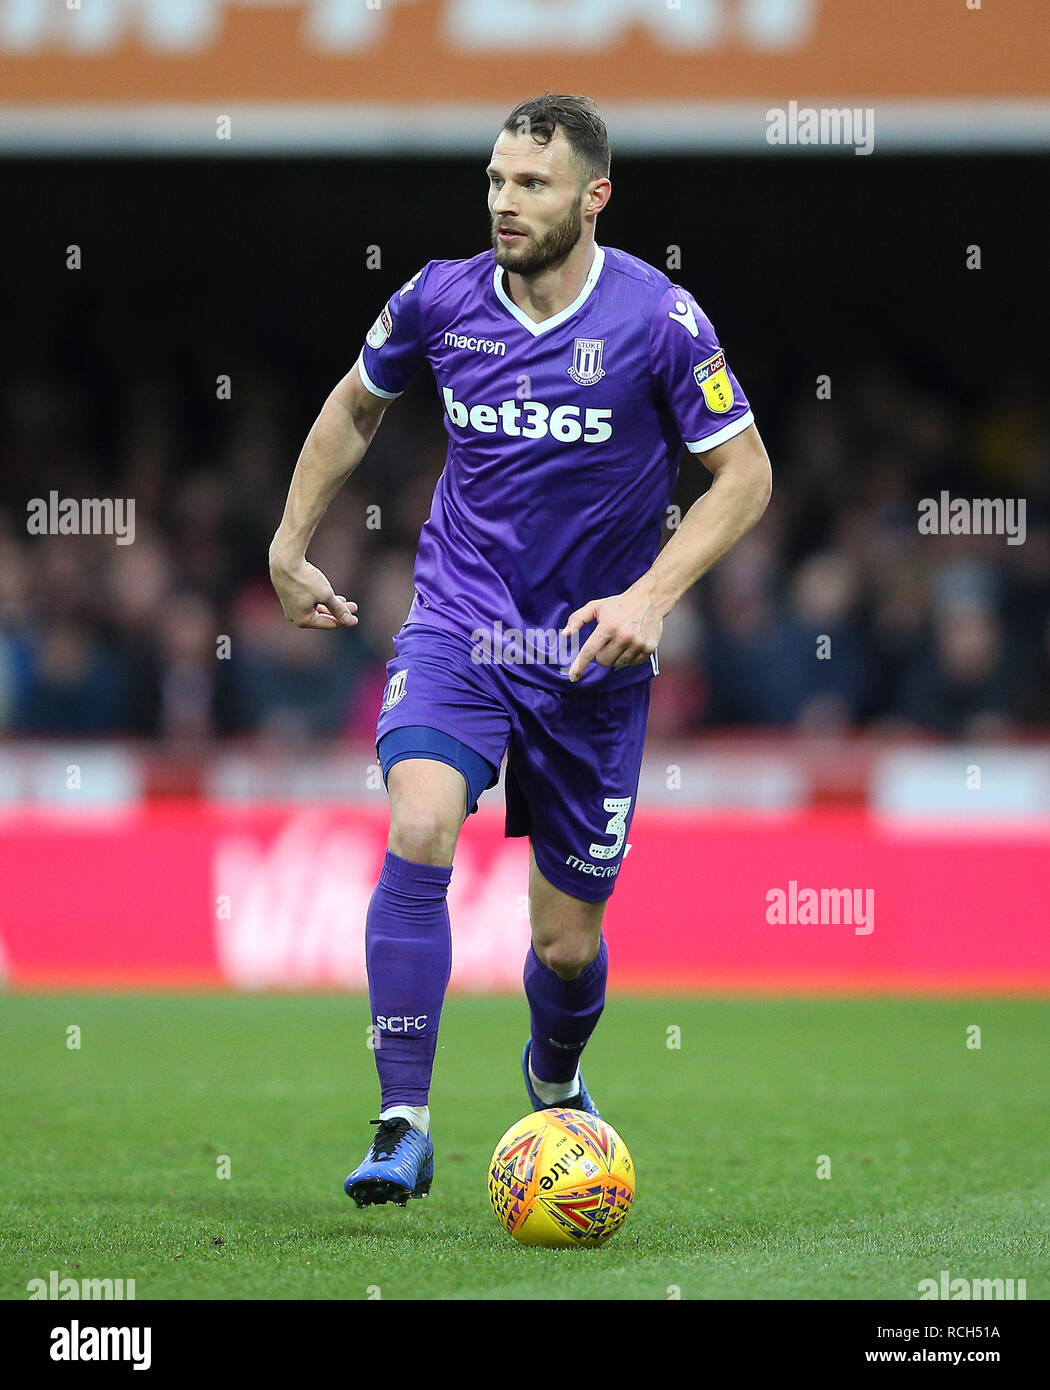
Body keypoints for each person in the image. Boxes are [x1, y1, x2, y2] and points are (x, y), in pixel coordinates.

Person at [269, 94, 772, 1208]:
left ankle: (553, 1072)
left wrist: (650, 593)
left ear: (593, 196)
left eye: (532, 184)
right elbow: (357, 407)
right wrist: (290, 541)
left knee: (564, 947)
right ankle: (403, 1120)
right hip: (462, 628)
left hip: (594, 661)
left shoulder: (659, 319)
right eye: (496, 180)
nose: (505, 201)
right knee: (419, 821)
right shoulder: (439, 298)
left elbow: (745, 475)